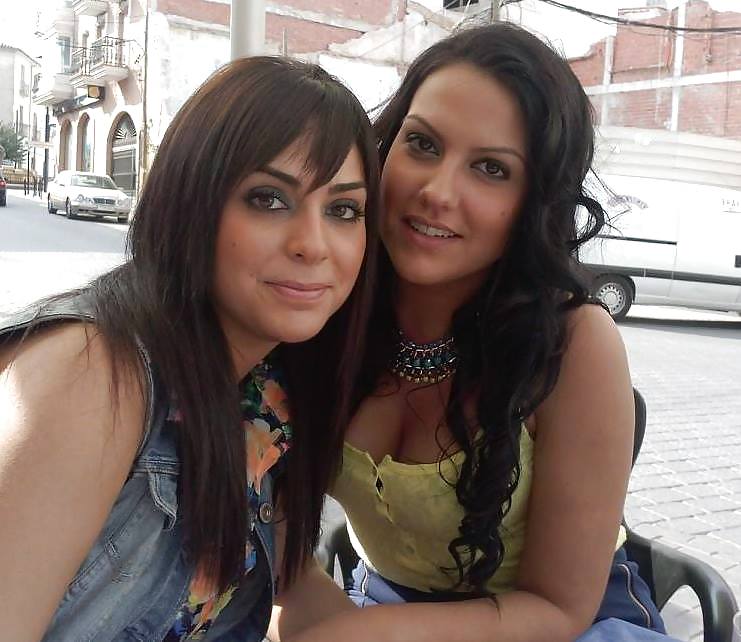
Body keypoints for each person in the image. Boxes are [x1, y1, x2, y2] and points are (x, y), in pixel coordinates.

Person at [269, 23, 676, 642]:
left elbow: (558, 608)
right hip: (380, 608)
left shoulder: (574, 344)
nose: (437, 192)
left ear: (535, 201)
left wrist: (358, 635)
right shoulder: (322, 302)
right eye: (423, 144)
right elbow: (269, 538)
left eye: (490, 168)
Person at [0, 56, 380, 641]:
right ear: (191, 201)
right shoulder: (93, 373)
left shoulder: (264, 391)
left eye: (343, 210)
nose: (314, 243)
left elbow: (293, 579)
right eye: (269, 199)